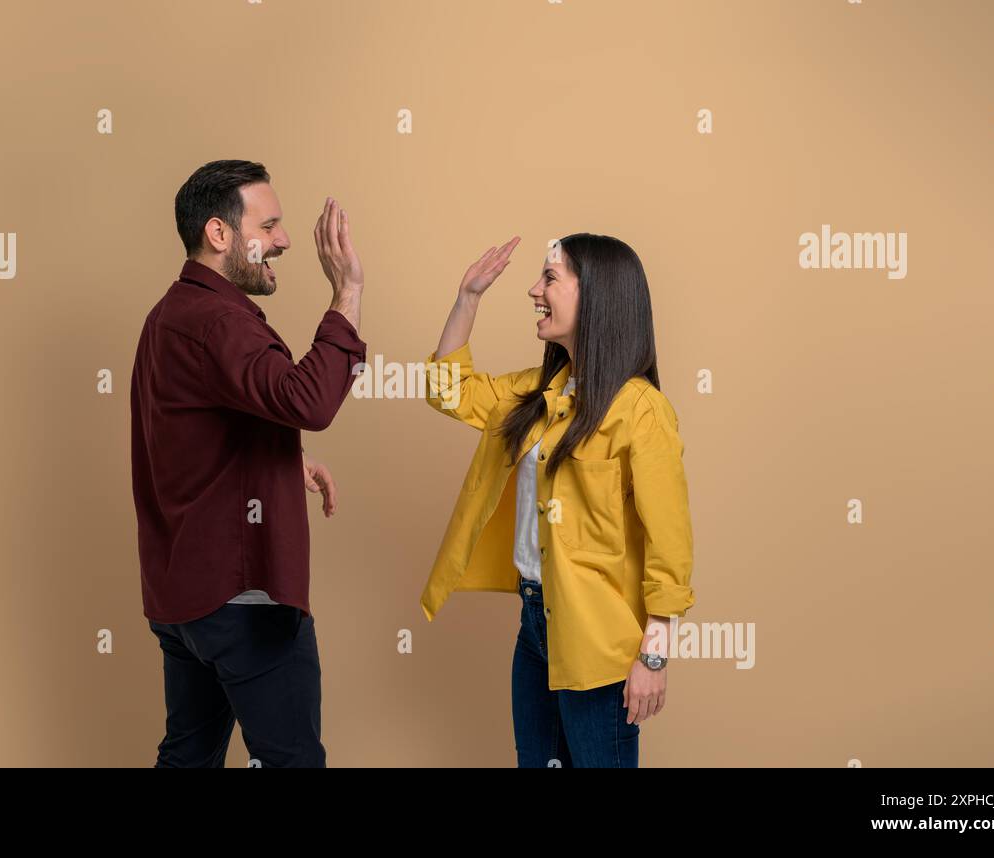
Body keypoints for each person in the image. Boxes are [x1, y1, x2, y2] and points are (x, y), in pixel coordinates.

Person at [420, 233, 695, 768]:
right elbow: (447, 392)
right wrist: (467, 298)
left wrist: (654, 658)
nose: (533, 290)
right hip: (535, 626)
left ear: (596, 296)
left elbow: (671, 543)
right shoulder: (541, 393)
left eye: (550, 278)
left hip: (600, 643)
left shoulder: (642, 410)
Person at [130, 160, 366, 767]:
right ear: (219, 233)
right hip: (244, 598)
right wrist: (347, 293)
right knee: (290, 760)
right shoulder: (219, 322)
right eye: (270, 224)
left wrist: (285, 460)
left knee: (187, 757)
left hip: (184, 599)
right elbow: (308, 400)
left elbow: (189, 434)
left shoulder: (170, 315)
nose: (284, 240)